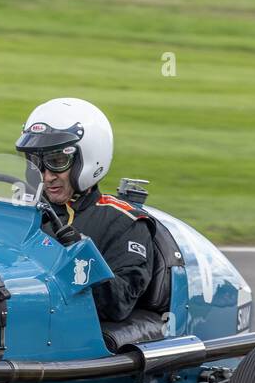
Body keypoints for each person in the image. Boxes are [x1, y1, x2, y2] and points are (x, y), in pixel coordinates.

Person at [15, 98, 156, 323]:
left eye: (57, 161)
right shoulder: (19, 209)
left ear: (88, 158)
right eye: (35, 161)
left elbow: (118, 304)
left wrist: (79, 254)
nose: (46, 175)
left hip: (67, 335)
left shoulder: (124, 222)